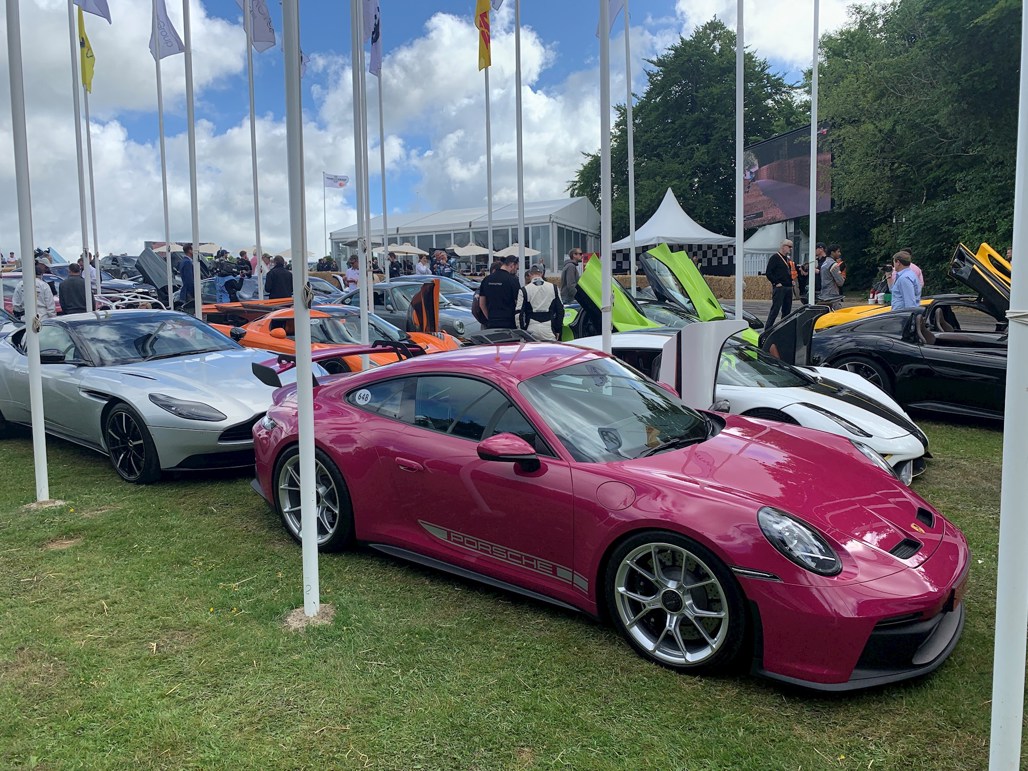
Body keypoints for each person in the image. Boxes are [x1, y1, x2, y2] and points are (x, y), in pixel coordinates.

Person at [516, 264, 563, 341]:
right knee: (550, 352)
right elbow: (560, 310)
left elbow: (518, 313)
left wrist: (522, 330)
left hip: (531, 329)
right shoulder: (554, 288)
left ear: (530, 274)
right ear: (542, 273)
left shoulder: (523, 290)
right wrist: (558, 330)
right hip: (549, 328)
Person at [479, 256, 520, 329]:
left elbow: (482, 303)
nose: (516, 271)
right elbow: (518, 303)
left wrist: (489, 318)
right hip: (509, 322)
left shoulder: (487, 280)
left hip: (492, 322)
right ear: (512, 265)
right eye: (516, 268)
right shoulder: (513, 280)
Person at [764, 239, 794, 328]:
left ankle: (783, 328)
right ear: (783, 246)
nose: (790, 249)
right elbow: (769, 272)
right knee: (775, 309)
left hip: (788, 286)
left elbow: (786, 272)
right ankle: (768, 328)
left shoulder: (787, 259)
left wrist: (791, 280)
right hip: (780, 287)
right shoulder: (775, 258)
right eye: (789, 247)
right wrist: (776, 282)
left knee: (787, 310)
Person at [819, 244, 845, 310]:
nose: (840, 254)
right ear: (832, 253)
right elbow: (840, 282)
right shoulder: (833, 265)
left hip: (824, 293)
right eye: (838, 251)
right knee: (836, 314)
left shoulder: (824, 264)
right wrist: (843, 275)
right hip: (833, 294)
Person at [178, 244, 195, 311]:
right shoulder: (187, 262)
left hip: (185, 291)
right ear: (190, 250)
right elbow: (189, 279)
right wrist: (193, 292)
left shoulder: (183, 261)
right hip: (188, 293)